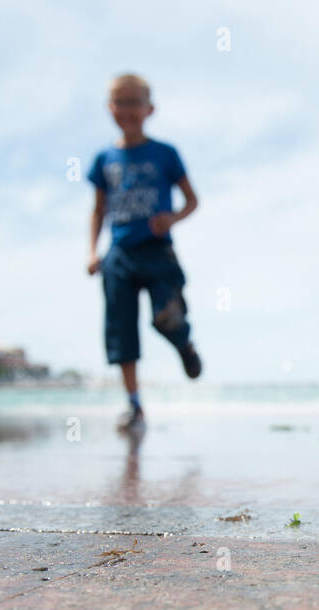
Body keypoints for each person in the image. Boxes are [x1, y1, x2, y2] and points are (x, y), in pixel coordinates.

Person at [86, 73, 201, 431]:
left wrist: (173, 217)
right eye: (121, 102)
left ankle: (183, 343)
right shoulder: (104, 158)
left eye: (135, 102)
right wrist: (92, 251)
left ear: (150, 108)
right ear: (110, 108)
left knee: (165, 316)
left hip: (157, 249)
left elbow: (192, 200)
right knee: (121, 330)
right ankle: (134, 405)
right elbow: (97, 209)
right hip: (118, 253)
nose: (128, 109)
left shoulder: (165, 154)